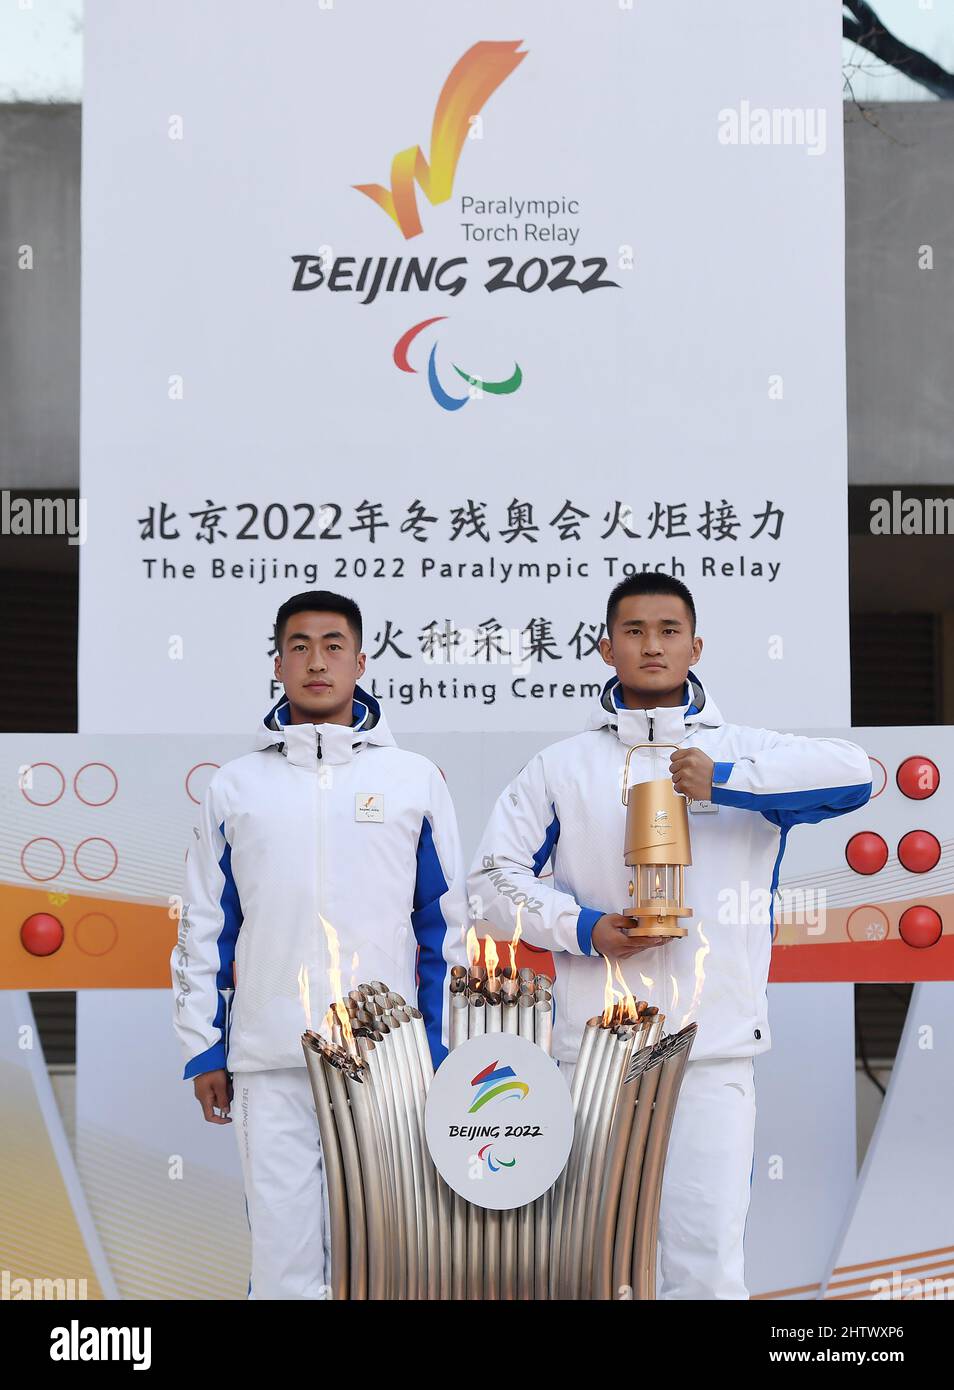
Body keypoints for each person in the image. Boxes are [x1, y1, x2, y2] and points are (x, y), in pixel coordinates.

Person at [468, 573, 872, 1299]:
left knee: (704, 1261)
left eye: (667, 630)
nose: (651, 645)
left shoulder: (744, 753)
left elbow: (854, 775)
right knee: (600, 1263)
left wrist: (726, 780)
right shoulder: (562, 768)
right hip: (596, 1054)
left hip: (711, 1051)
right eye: (633, 631)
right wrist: (588, 929)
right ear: (605, 646)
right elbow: (490, 885)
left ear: (696, 645)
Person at [171, 589, 468, 1299]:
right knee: (284, 1260)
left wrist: (436, 1049)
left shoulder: (412, 780)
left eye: (334, 645)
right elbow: (207, 925)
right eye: (299, 646)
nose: (317, 661)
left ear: (361, 661)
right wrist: (205, 1046)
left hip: (384, 1062)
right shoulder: (236, 787)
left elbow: (445, 925)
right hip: (270, 1059)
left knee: (381, 1258)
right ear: (277, 663)